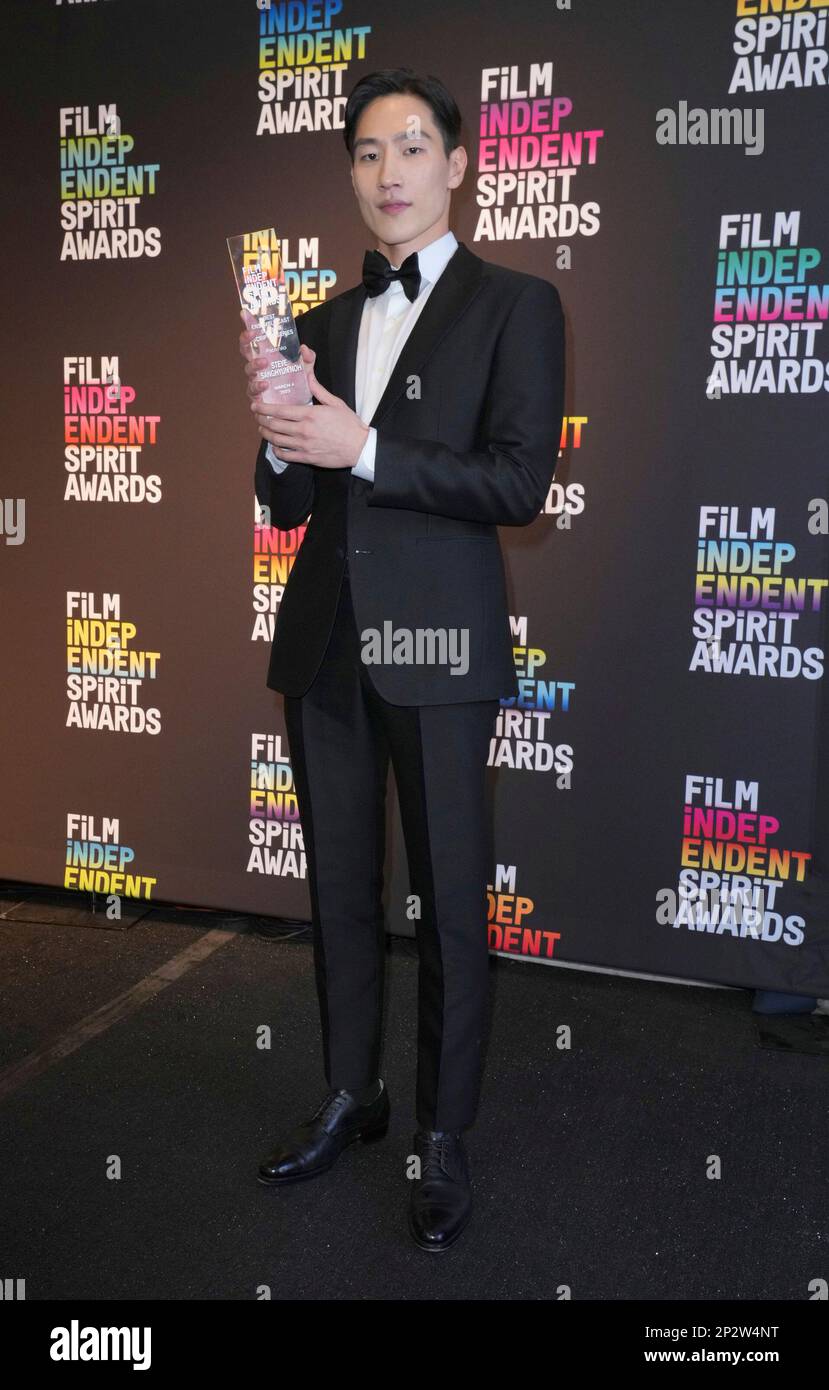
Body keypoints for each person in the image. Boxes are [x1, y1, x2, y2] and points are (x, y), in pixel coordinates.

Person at [239, 68, 566, 1251]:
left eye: (412, 148)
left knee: (449, 915)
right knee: (336, 894)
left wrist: (363, 443)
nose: (388, 173)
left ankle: (444, 1135)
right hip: (325, 638)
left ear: (458, 164)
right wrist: (279, 435)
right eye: (368, 153)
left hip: (440, 644)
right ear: (352, 173)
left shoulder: (515, 305)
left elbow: (517, 483)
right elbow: (286, 503)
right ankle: (351, 1094)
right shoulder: (322, 318)